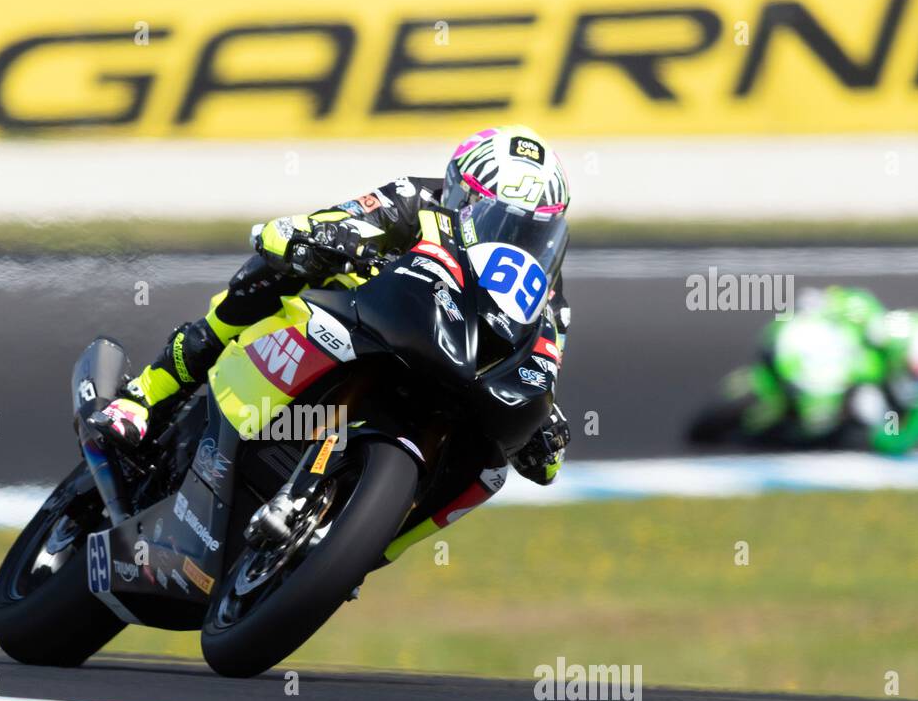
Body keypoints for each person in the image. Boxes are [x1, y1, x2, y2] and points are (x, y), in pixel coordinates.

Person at [92, 124, 574, 528]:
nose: (513, 238)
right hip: (375, 314)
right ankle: (148, 395)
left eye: (531, 230)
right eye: (499, 219)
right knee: (278, 271)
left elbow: (544, 359)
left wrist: (545, 422)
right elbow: (342, 219)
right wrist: (311, 237)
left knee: (487, 466)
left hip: (450, 362)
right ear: (463, 195)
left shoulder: (548, 291)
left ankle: (364, 550)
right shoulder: (416, 198)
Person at [723, 286, 918, 453]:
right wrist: (826, 302)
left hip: (880, 400)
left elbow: (901, 439)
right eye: (909, 365)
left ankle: (814, 434)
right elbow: (864, 306)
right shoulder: (897, 331)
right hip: (845, 360)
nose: (912, 372)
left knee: (848, 423)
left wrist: (882, 430)